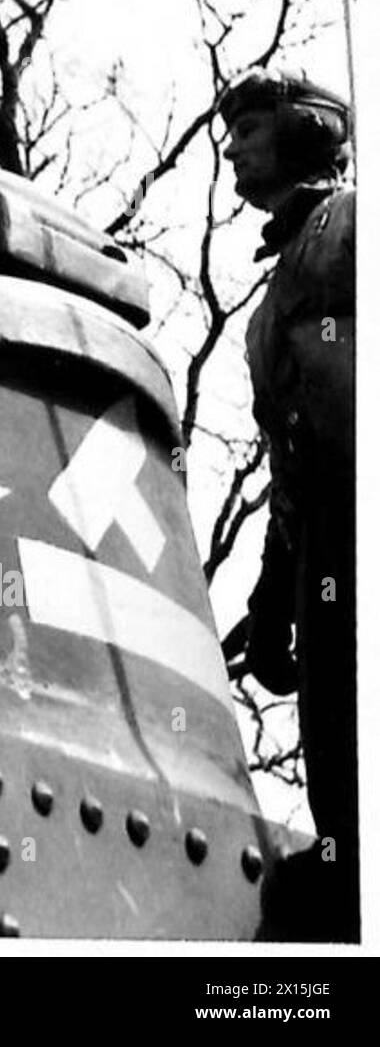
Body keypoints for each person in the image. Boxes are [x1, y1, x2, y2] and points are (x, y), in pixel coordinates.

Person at [218, 67, 356, 940]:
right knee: (336, 748)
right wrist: (271, 600)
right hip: (324, 549)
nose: (233, 146)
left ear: (305, 130)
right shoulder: (270, 301)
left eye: (252, 127)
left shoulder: (353, 227)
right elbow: (287, 460)